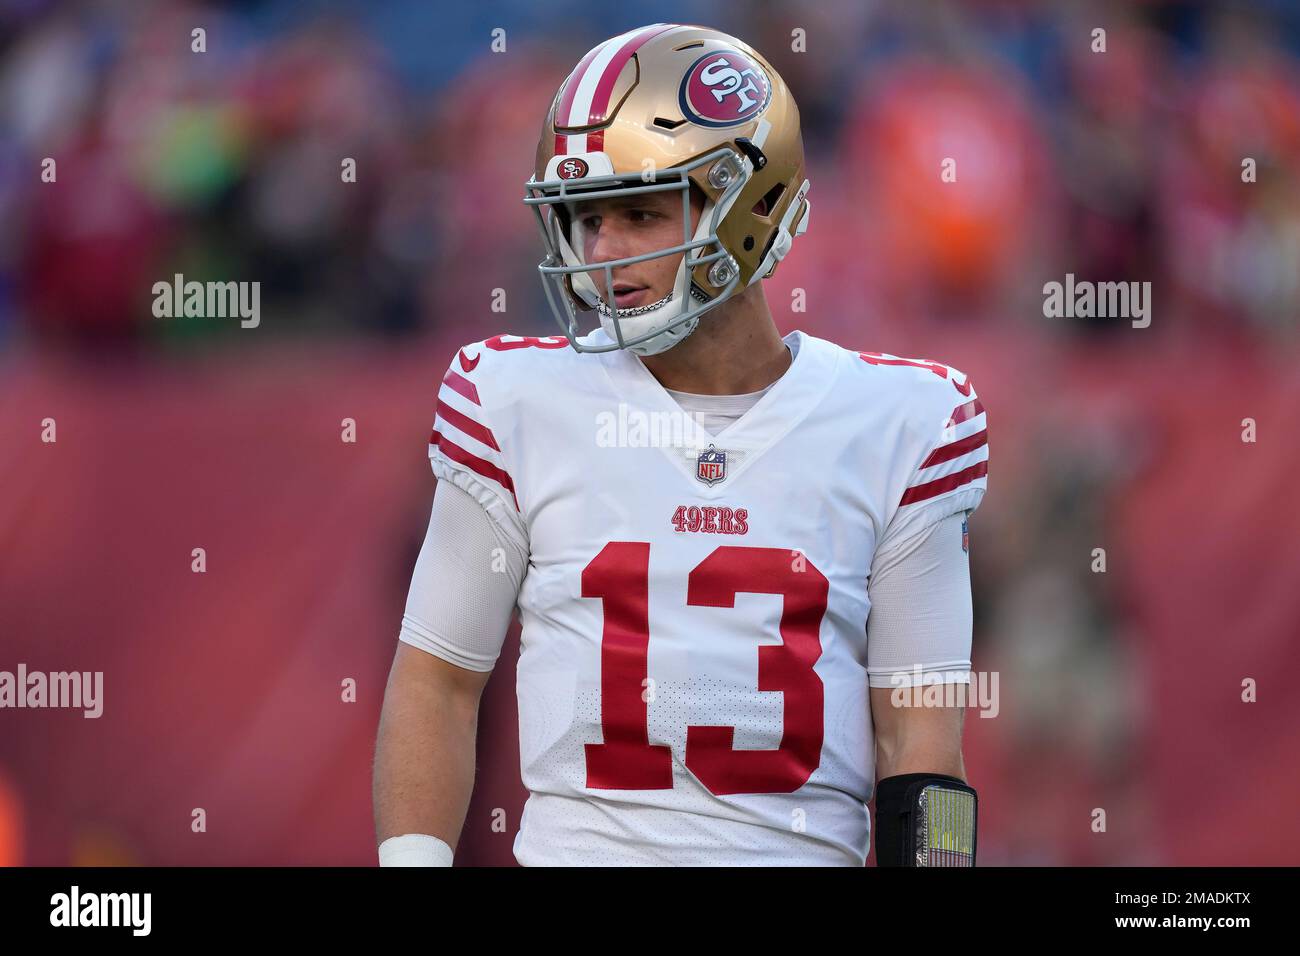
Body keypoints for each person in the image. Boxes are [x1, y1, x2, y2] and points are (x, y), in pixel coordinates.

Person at [373, 23, 987, 866]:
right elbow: (438, 681)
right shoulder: (515, 402)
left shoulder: (903, 424)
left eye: (640, 212)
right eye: (586, 217)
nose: (604, 252)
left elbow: (921, 750)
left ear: (750, 204)